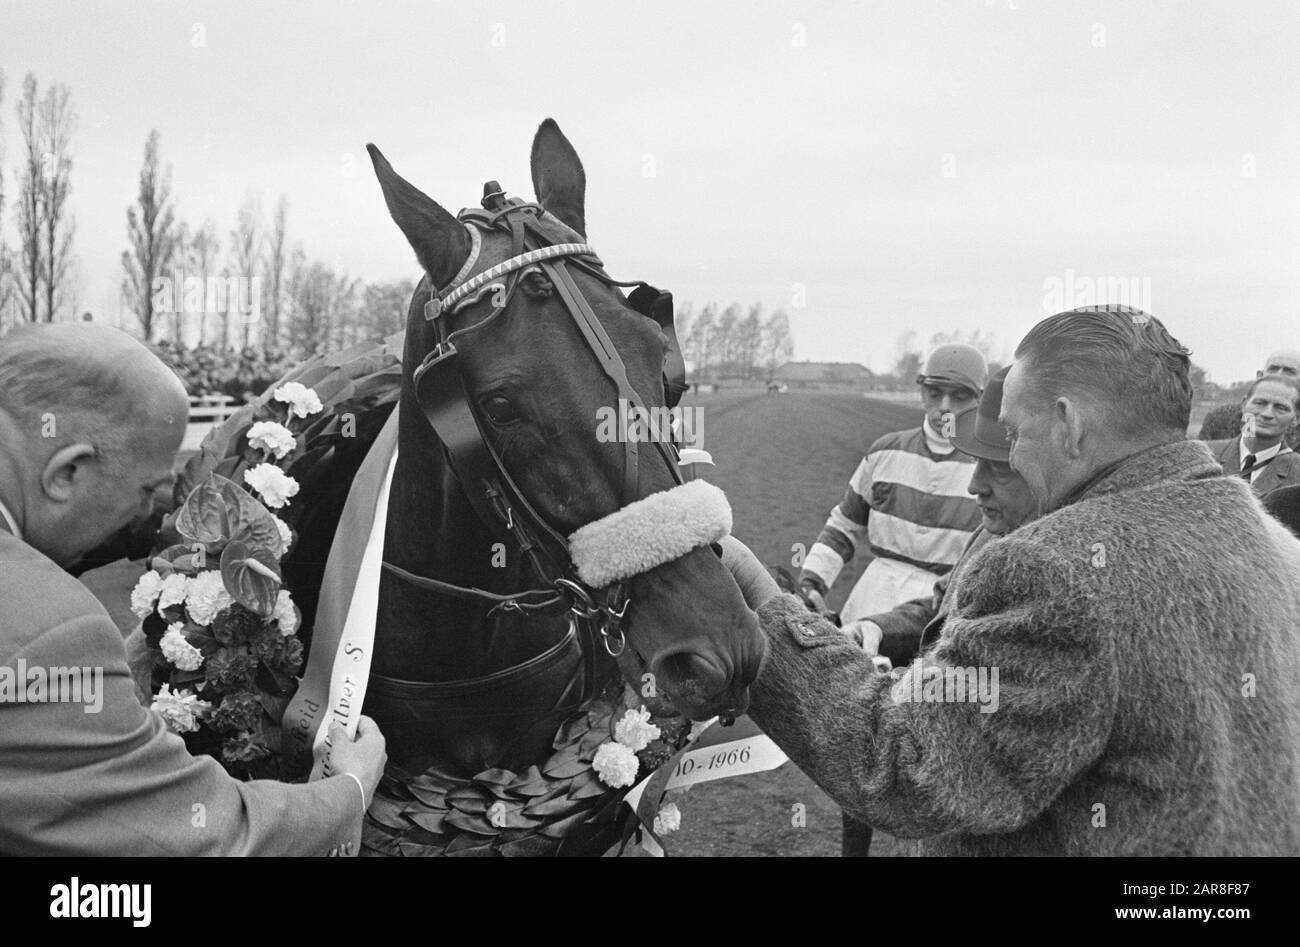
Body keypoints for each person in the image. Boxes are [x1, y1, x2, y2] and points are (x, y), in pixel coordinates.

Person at [725, 306, 1300, 855]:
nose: (986, 475)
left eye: (1015, 433)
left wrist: (763, 604)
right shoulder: (1273, 542)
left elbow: (907, 767)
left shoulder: (1054, 569)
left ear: (1068, 424)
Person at [0, 323, 387, 856]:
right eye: (144, 490)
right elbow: (204, 839)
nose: (142, 515)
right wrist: (349, 790)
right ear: (67, 472)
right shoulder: (50, 631)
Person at [796, 342, 986, 856]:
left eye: (960, 396)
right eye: (936, 392)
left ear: (979, 399)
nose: (945, 407)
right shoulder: (884, 450)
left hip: (944, 608)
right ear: (921, 391)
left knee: (933, 737)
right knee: (858, 736)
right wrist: (813, 580)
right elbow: (844, 524)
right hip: (874, 598)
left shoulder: (987, 465)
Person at [855, 367, 1038, 668]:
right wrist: (877, 628)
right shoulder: (990, 533)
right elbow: (940, 609)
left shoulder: (1052, 570)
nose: (974, 485)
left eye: (1000, 468)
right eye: (977, 462)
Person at [1203, 373, 1300, 497]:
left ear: (1296, 419)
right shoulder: (1204, 455)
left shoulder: (1297, 472)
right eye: (1260, 403)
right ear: (1244, 404)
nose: (1267, 414)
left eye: (1280, 407)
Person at [1198, 349, 1300, 442]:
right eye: (1273, 369)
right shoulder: (1220, 419)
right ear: (1259, 376)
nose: (1278, 375)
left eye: (1289, 371)